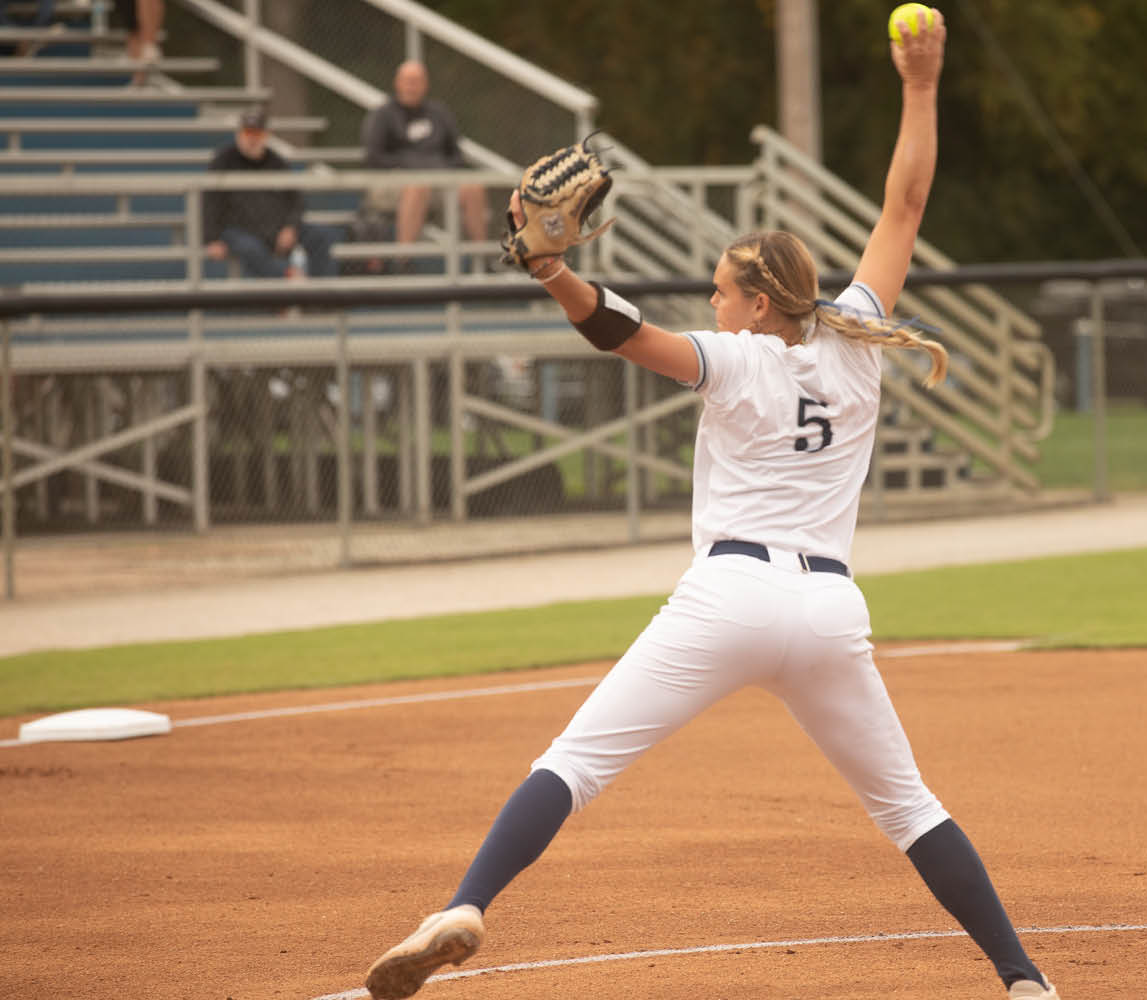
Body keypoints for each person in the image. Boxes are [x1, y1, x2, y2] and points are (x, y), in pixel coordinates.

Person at [362, 9, 1057, 1000]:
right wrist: (919, 84)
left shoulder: (734, 358)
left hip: (728, 598)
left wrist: (553, 269)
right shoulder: (855, 338)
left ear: (760, 304)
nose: (715, 302)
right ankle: (1025, 981)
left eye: (725, 291)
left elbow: (622, 332)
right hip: (829, 612)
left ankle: (465, 905)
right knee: (909, 809)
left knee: (575, 762)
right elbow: (904, 206)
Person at [361, 60, 490, 269]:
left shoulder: (439, 114)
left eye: (417, 81)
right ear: (397, 83)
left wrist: (438, 167)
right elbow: (374, 158)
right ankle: (403, 262)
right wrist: (411, 164)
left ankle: (481, 261)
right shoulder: (383, 115)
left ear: (425, 84)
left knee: (473, 187)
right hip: (394, 182)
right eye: (407, 81)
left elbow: (456, 156)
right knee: (418, 186)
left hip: (438, 179)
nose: (412, 86)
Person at [202, 108, 338, 280]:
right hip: (238, 230)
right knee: (251, 249)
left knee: (320, 236)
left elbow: (296, 200)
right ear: (239, 135)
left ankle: (322, 291)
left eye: (257, 134)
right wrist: (211, 239)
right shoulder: (223, 161)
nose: (252, 139)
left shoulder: (277, 162)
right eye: (248, 133)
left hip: (277, 228)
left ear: (266, 135)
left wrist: (290, 227)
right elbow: (209, 202)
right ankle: (289, 277)